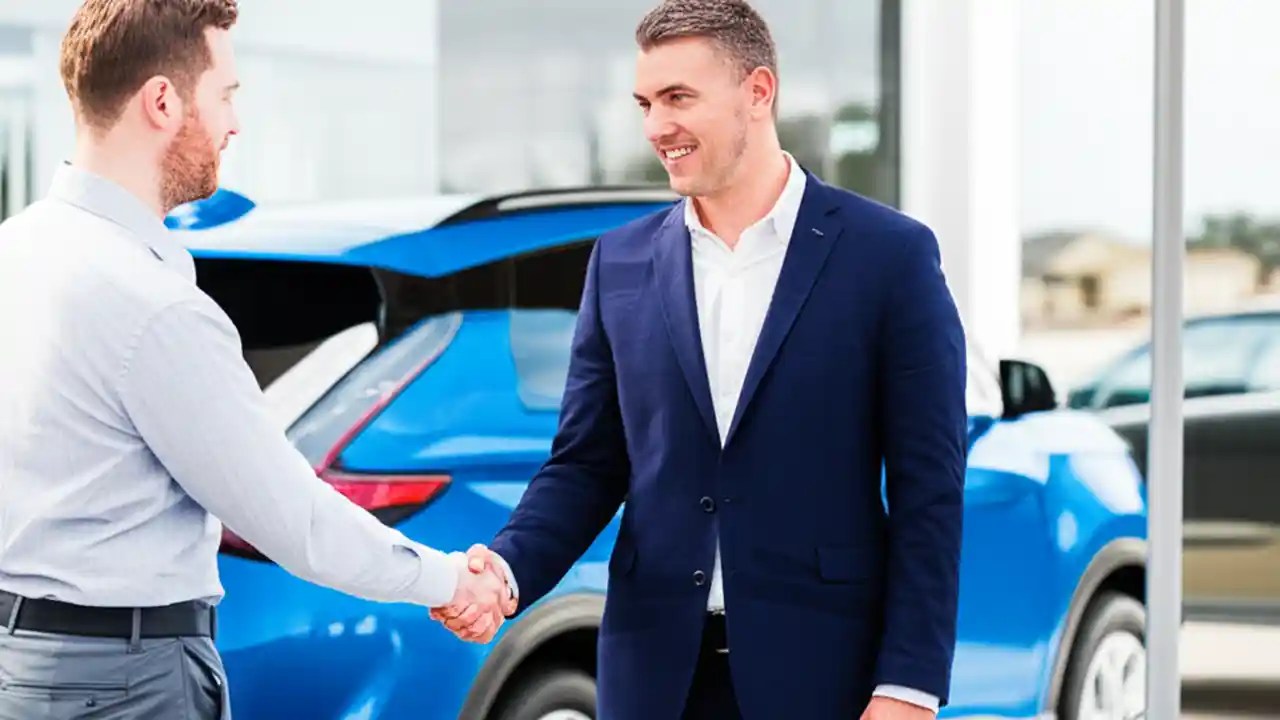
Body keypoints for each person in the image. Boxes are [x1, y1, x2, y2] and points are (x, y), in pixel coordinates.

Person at [433, 0, 968, 718]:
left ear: (758, 91)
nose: (657, 126)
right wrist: (506, 569)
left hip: (824, 677)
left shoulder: (889, 256)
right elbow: (587, 464)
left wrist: (908, 686)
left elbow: (929, 489)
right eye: (645, 104)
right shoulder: (619, 263)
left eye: (679, 98)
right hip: (654, 679)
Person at [0, 1, 512, 717]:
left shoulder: (13, 253)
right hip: (126, 683)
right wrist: (450, 580)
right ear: (162, 102)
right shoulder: (155, 305)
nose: (235, 124)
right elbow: (297, 523)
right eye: (225, 96)